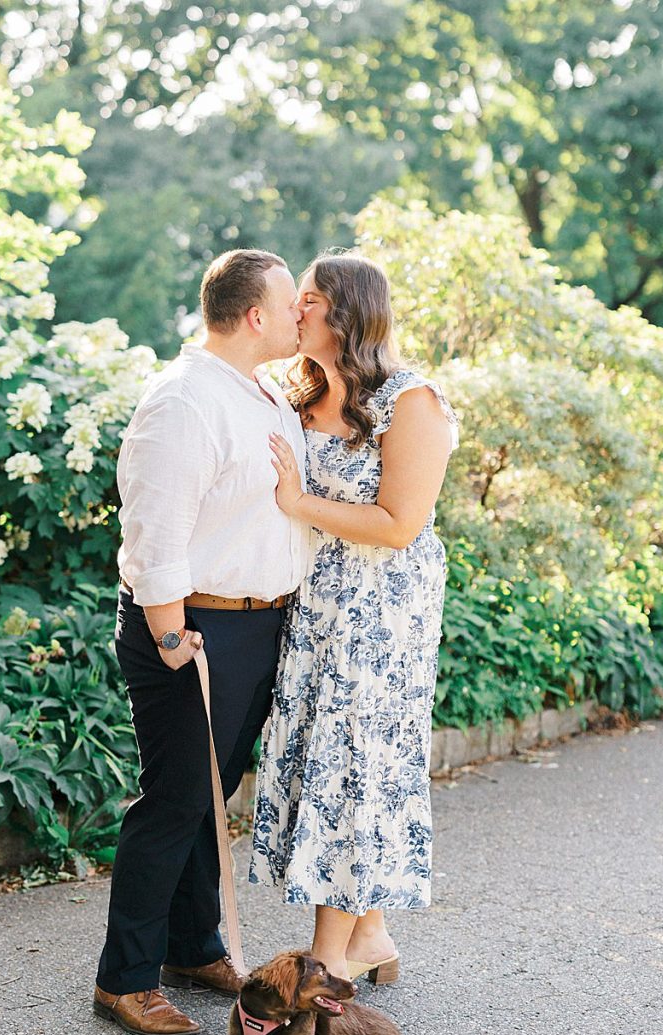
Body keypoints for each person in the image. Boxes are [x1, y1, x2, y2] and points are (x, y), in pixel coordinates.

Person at [95, 249, 307, 1035]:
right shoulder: (184, 400)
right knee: (175, 799)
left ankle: (193, 946)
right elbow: (155, 526)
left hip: (256, 624)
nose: (299, 319)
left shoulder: (261, 394)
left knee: (207, 799)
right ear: (255, 316)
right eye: (290, 308)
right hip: (191, 628)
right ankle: (125, 978)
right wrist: (169, 632)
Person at [247, 253, 458, 985]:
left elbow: (401, 523)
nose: (293, 310)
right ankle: (370, 935)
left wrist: (300, 505)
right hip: (314, 604)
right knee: (322, 754)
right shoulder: (297, 396)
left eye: (307, 300)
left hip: (381, 615)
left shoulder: (412, 400)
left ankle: (329, 956)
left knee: (351, 760)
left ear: (346, 313)